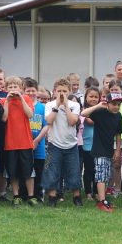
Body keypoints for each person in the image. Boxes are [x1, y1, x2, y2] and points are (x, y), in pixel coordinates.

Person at [79, 91, 122, 212]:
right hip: (99, 150)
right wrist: (99, 105)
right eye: (113, 104)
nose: (116, 106)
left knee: (107, 175)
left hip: (110, 150)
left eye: (118, 104)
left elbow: (118, 134)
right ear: (107, 104)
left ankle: (103, 199)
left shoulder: (118, 115)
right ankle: (101, 201)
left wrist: (117, 150)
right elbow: (83, 113)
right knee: (100, 175)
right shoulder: (100, 112)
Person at [42, 78, 82, 207]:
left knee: (74, 171)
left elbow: (72, 121)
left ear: (69, 91)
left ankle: (77, 197)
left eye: (64, 91)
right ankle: (52, 198)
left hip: (71, 145)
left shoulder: (74, 105)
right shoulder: (49, 105)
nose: (61, 93)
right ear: (54, 92)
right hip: (54, 144)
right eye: (59, 91)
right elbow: (49, 121)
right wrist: (57, 105)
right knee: (52, 172)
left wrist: (65, 105)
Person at [1, 76, 35, 205]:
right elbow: (4, 118)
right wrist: (7, 101)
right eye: (10, 87)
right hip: (10, 143)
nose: (13, 89)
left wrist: (21, 98)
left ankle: (31, 196)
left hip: (25, 142)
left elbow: (30, 114)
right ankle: (16, 195)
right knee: (13, 172)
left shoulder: (26, 99)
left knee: (28, 171)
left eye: (16, 87)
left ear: (21, 88)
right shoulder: (4, 100)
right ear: (6, 89)